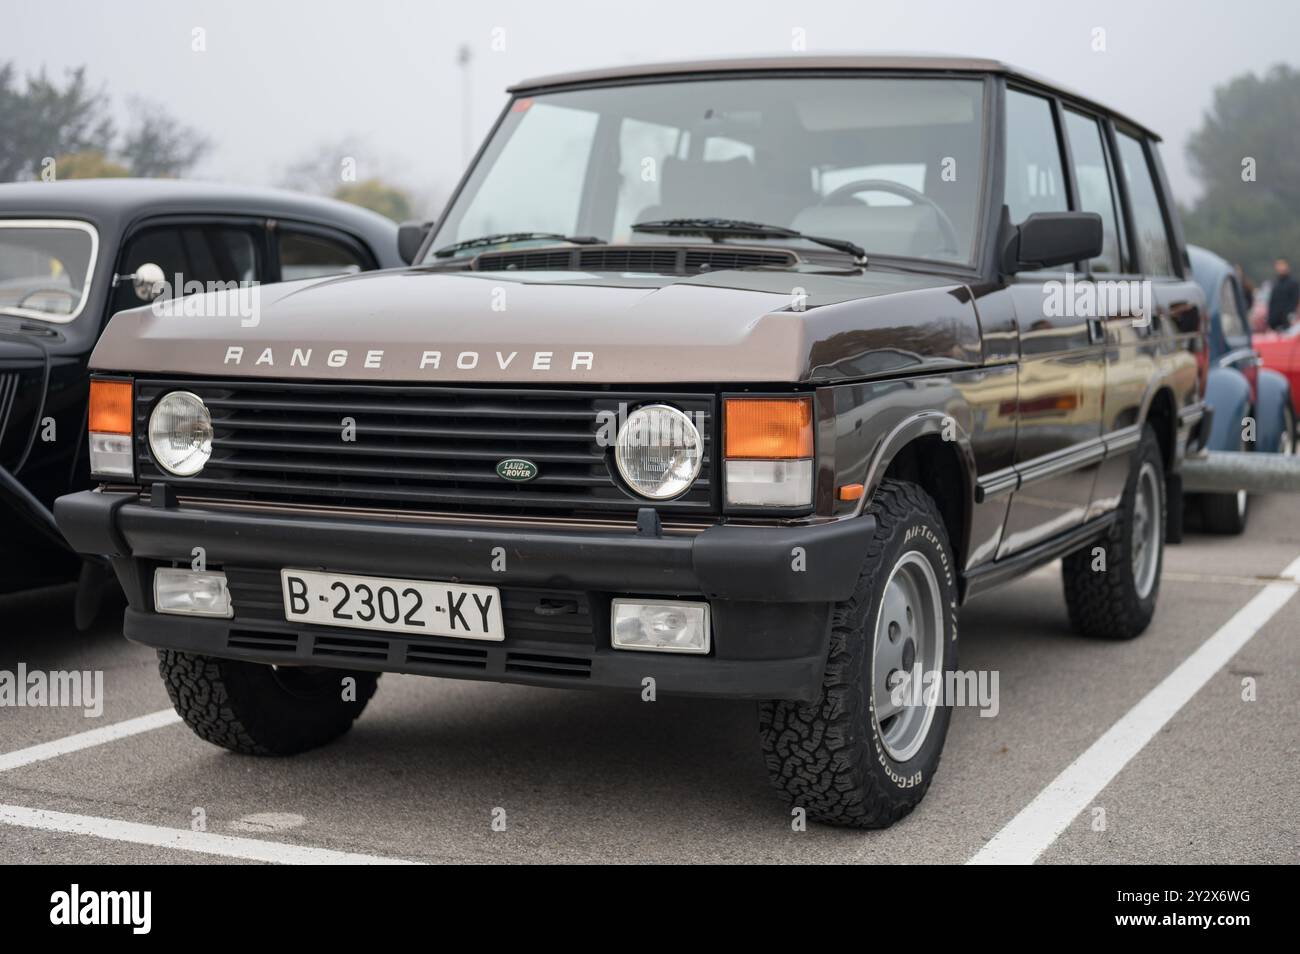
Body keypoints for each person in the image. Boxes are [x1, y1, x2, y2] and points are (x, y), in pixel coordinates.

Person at [1267, 258, 1299, 331]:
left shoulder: (1293, 283)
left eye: (1282, 265)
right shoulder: (1275, 283)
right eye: (1278, 265)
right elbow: (1272, 302)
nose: (1280, 267)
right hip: (1274, 321)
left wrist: (1288, 316)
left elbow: (1294, 301)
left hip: (1287, 320)